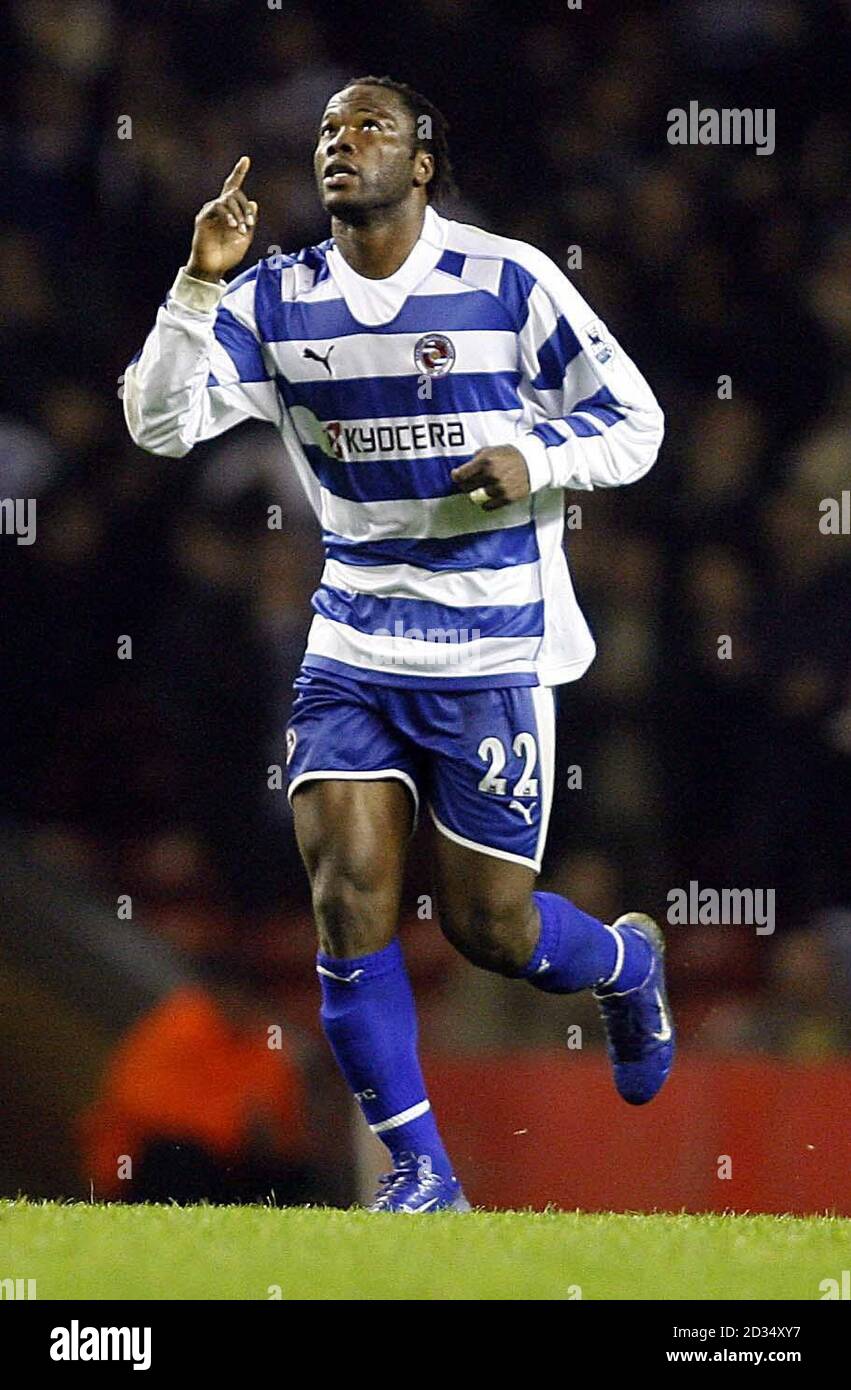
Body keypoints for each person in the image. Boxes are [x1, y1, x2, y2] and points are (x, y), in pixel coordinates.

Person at [124, 75, 671, 1213]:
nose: (342, 141)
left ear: (420, 162)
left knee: (488, 927)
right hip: (354, 642)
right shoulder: (277, 299)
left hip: (490, 650)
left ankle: (627, 964)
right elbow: (159, 420)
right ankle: (422, 1170)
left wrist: (538, 458)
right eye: (328, 128)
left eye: (370, 125)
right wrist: (194, 285)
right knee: (346, 894)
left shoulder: (506, 277)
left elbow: (636, 421)